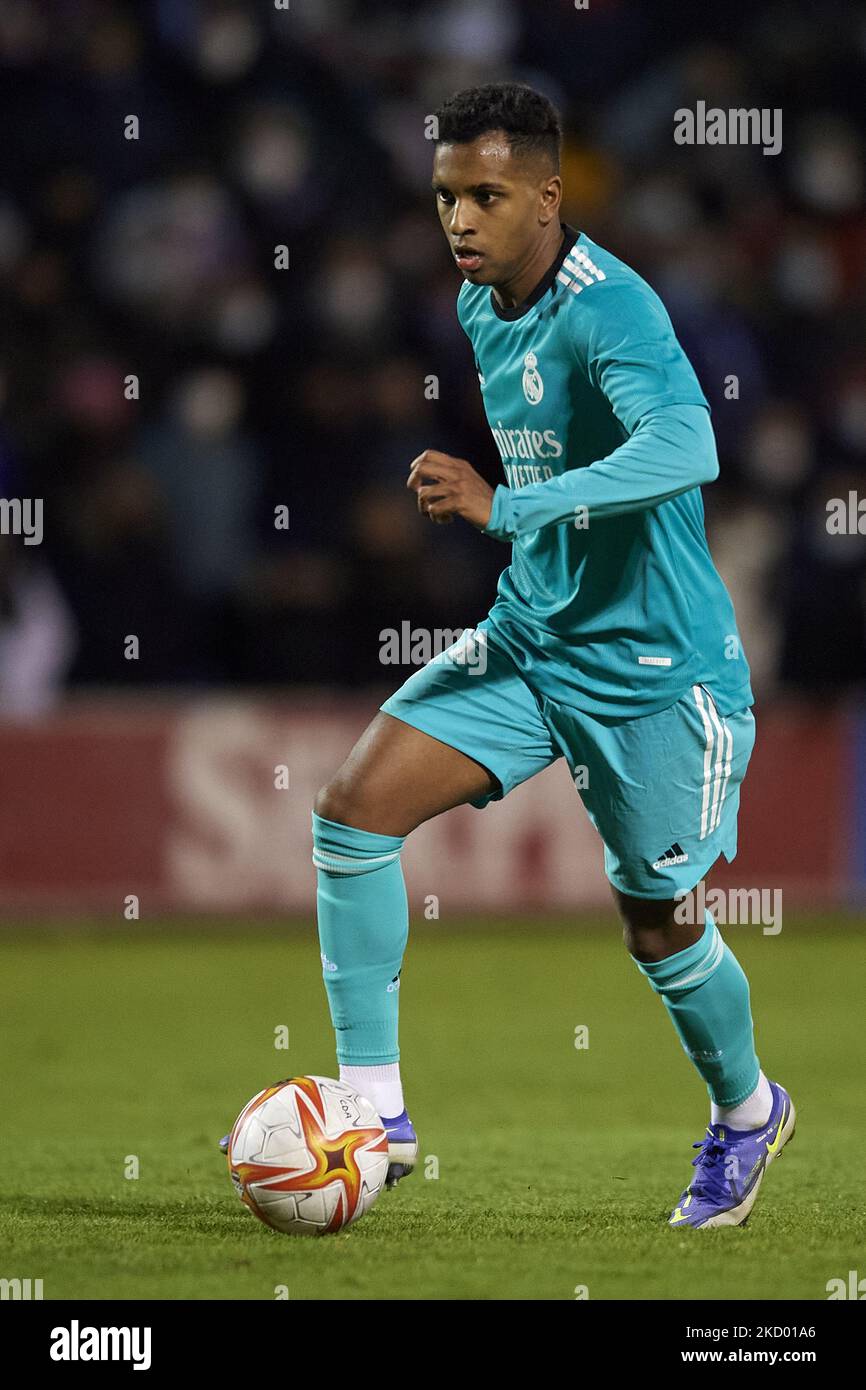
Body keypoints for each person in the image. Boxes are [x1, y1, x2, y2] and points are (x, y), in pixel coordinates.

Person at [224, 82, 795, 1228]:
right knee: (350, 813)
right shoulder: (482, 306)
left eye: (485, 196)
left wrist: (510, 510)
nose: (459, 221)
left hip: (652, 672)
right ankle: (378, 1116)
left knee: (656, 921)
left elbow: (685, 445)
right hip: (534, 638)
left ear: (547, 194)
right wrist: (522, 528)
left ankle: (746, 1115)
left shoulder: (611, 308)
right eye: (445, 198)